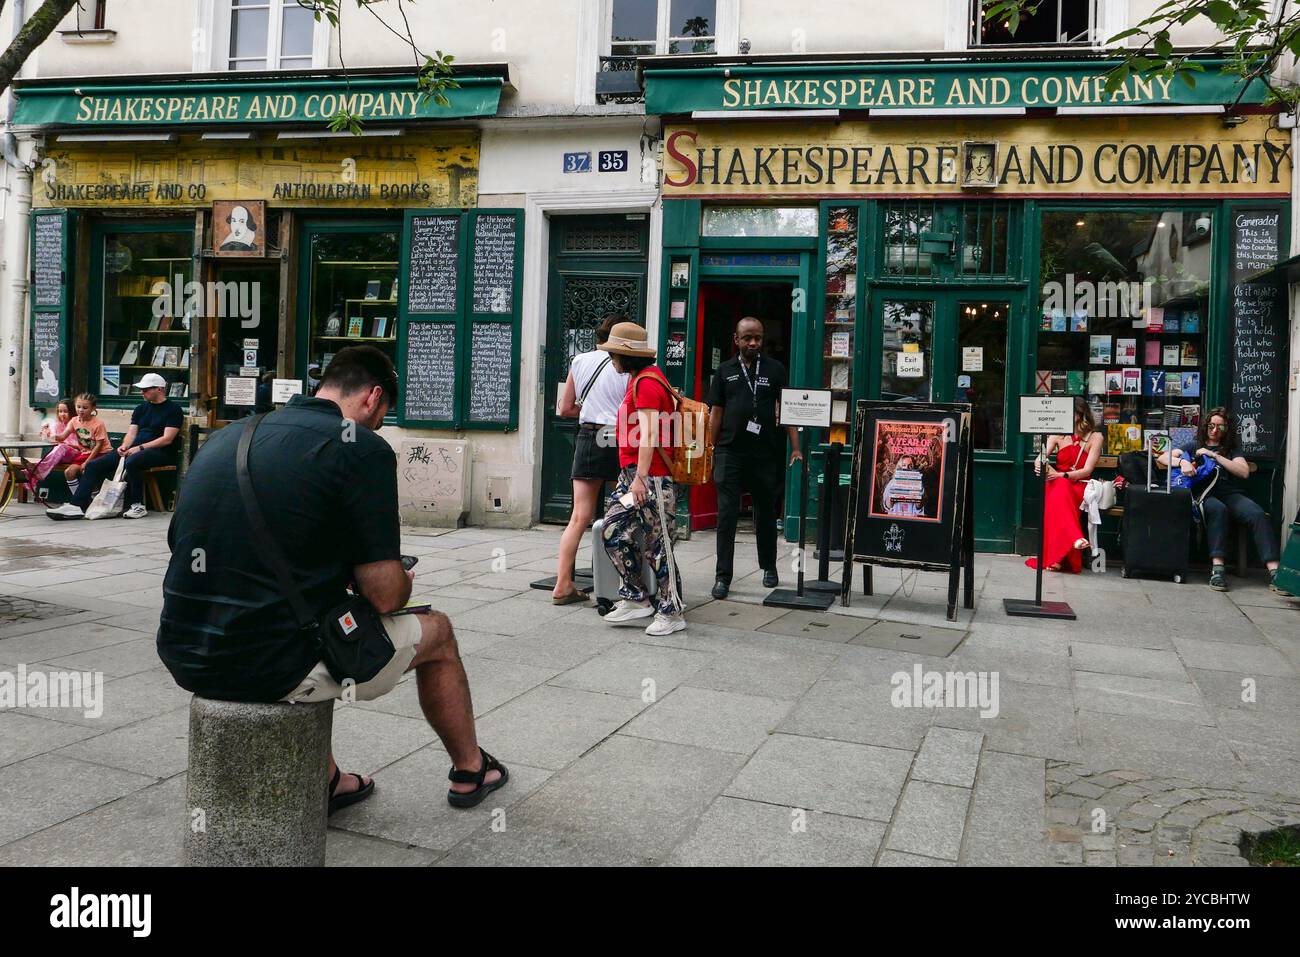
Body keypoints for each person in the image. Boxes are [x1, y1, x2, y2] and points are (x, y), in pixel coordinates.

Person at [157, 346, 507, 812]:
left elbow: (190, 541)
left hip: (184, 648)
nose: (377, 427)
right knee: (438, 633)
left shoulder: (229, 436)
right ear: (373, 397)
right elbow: (384, 596)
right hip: (268, 663)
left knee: (287, 614)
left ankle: (328, 779)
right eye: (381, 417)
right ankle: (470, 769)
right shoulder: (362, 448)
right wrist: (400, 573)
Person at [598, 322, 686, 636]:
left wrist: (641, 478)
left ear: (626, 355)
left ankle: (671, 611)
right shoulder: (638, 379)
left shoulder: (648, 383)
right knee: (612, 529)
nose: (611, 359)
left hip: (650, 480)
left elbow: (649, 434)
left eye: (613, 353)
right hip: (634, 477)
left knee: (657, 544)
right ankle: (637, 599)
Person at [706, 316, 800, 599]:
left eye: (758, 337)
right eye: (747, 338)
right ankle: (723, 577)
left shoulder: (775, 369)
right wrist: (710, 448)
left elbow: (788, 409)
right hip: (729, 451)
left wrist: (796, 447)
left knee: (766, 514)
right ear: (737, 340)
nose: (753, 343)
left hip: (764, 453)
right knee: (726, 516)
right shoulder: (724, 371)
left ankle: (769, 566)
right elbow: (716, 412)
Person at [1160, 407, 1288, 594]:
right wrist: (1183, 462)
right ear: (1205, 426)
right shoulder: (1193, 445)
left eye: (1220, 427)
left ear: (1226, 429)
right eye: (1211, 425)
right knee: (1217, 510)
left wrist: (1215, 455)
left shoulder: (1231, 450)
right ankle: (1217, 569)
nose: (1214, 430)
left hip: (1229, 493)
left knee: (1257, 514)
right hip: (1204, 494)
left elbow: (1243, 471)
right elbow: (1163, 457)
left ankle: (1275, 571)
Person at [550, 315, 628, 605]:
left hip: (588, 435)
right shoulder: (627, 363)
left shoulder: (580, 361)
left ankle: (562, 584)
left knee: (579, 517)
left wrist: (590, 408)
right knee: (623, 513)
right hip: (617, 437)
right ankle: (621, 580)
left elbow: (565, 408)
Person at [46, 374, 183, 521]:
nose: (142, 393)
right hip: (135, 449)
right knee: (93, 465)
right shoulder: (141, 409)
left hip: (160, 452)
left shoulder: (173, 410)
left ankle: (137, 505)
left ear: (160, 389)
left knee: (133, 461)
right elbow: (132, 432)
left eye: (146, 389)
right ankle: (77, 506)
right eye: (141, 390)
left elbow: (167, 439)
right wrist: (124, 446)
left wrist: (140, 448)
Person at [1026, 396, 1103, 574]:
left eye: (1069, 411)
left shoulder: (1095, 437)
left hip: (1079, 484)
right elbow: (1042, 456)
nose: (1065, 414)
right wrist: (1040, 464)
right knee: (1058, 488)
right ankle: (1075, 538)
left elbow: (1087, 470)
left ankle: (1058, 558)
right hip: (1057, 483)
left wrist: (1061, 474)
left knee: (1058, 490)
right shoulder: (1057, 434)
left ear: (1080, 414)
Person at [26, 396, 109, 500]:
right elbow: (62, 437)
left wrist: (87, 462)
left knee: (88, 469)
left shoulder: (98, 423)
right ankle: (78, 500)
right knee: (69, 472)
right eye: (78, 407)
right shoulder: (74, 421)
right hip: (85, 453)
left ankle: (93, 496)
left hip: (100, 453)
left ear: (93, 409)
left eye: (85, 408)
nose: (81, 410)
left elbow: (99, 445)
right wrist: (49, 435)